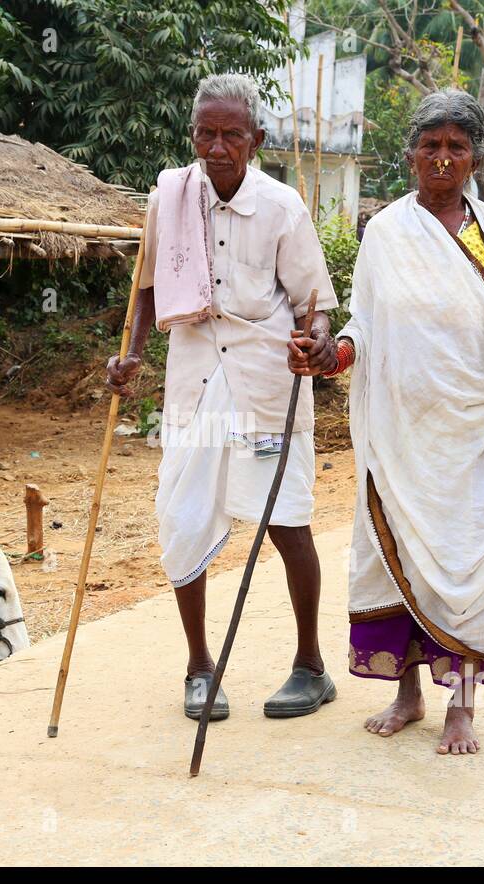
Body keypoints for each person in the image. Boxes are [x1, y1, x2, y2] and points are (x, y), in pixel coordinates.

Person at [290, 88, 484, 754]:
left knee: (475, 560)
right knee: (394, 551)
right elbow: (365, 329)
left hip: (477, 432)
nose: (441, 159)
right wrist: (333, 354)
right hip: (401, 432)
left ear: (475, 158)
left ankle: (461, 708)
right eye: (430, 146)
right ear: (410, 155)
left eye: (456, 147)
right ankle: (406, 694)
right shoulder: (385, 233)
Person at [107, 73, 339, 721]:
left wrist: (315, 343)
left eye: (230, 134)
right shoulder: (169, 199)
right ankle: (200, 669)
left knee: (287, 523)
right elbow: (147, 291)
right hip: (196, 386)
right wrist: (130, 354)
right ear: (192, 136)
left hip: (267, 388)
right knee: (182, 520)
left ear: (256, 140)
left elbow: (312, 305)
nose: (215, 147)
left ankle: (310, 667)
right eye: (204, 133)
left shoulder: (283, 209)